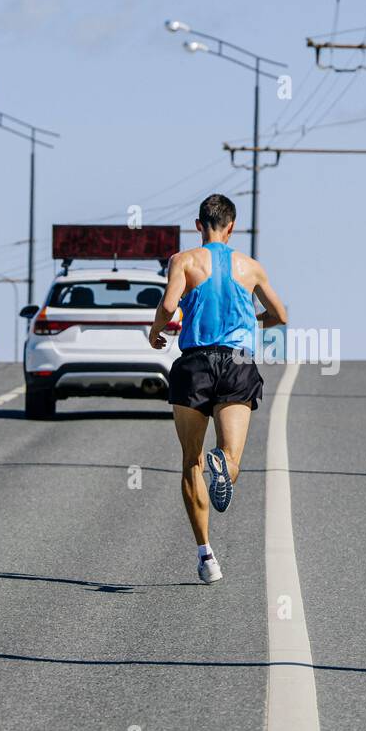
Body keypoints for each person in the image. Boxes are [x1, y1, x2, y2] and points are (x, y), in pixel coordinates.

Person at [149, 194, 288, 584]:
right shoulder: (251, 267)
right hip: (238, 362)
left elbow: (169, 303)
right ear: (232, 227)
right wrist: (250, 323)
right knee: (232, 455)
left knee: (190, 460)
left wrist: (156, 330)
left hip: (194, 364)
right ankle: (223, 466)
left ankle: (205, 555)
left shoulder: (185, 260)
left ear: (198, 225)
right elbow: (280, 315)